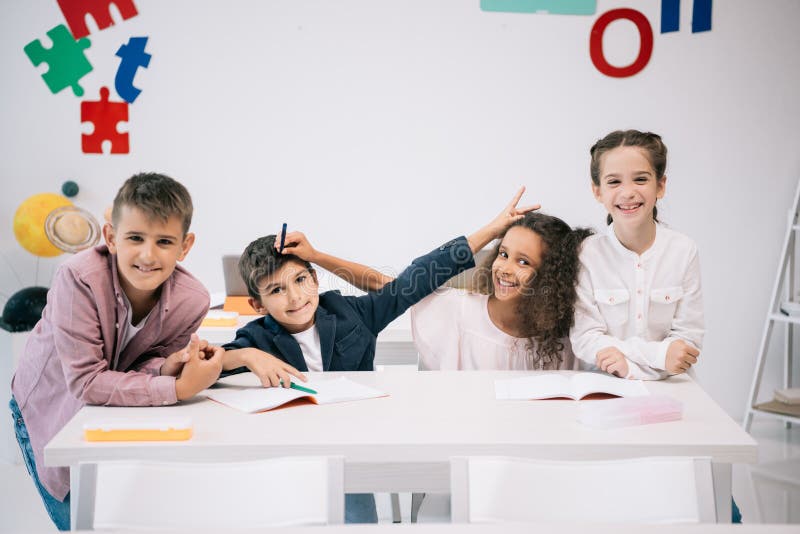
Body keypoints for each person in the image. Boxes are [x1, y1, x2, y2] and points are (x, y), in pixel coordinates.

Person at [219, 190, 536, 523]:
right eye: (276, 290)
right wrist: (248, 357)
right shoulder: (255, 337)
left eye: (300, 280)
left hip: (349, 451)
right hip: (289, 458)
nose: (295, 296)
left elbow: (418, 277)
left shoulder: (351, 313)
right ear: (257, 304)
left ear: (314, 279)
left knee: (358, 519)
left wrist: (492, 228)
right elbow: (207, 367)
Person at [10, 173, 223, 530]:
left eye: (165, 241)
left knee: (122, 515)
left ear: (185, 247)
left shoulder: (193, 300)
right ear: (111, 237)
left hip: (112, 412)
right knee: (77, 517)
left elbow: (143, 364)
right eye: (135, 238)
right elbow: (86, 382)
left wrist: (169, 366)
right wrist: (178, 388)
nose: (147, 254)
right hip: (51, 408)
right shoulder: (77, 278)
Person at [569, 129, 703, 382]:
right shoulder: (587, 254)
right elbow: (586, 338)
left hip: (672, 385)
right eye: (614, 182)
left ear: (660, 186)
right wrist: (660, 354)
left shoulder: (683, 250)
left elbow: (687, 343)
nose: (628, 192)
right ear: (597, 191)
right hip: (605, 384)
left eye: (640, 179)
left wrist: (630, 365)